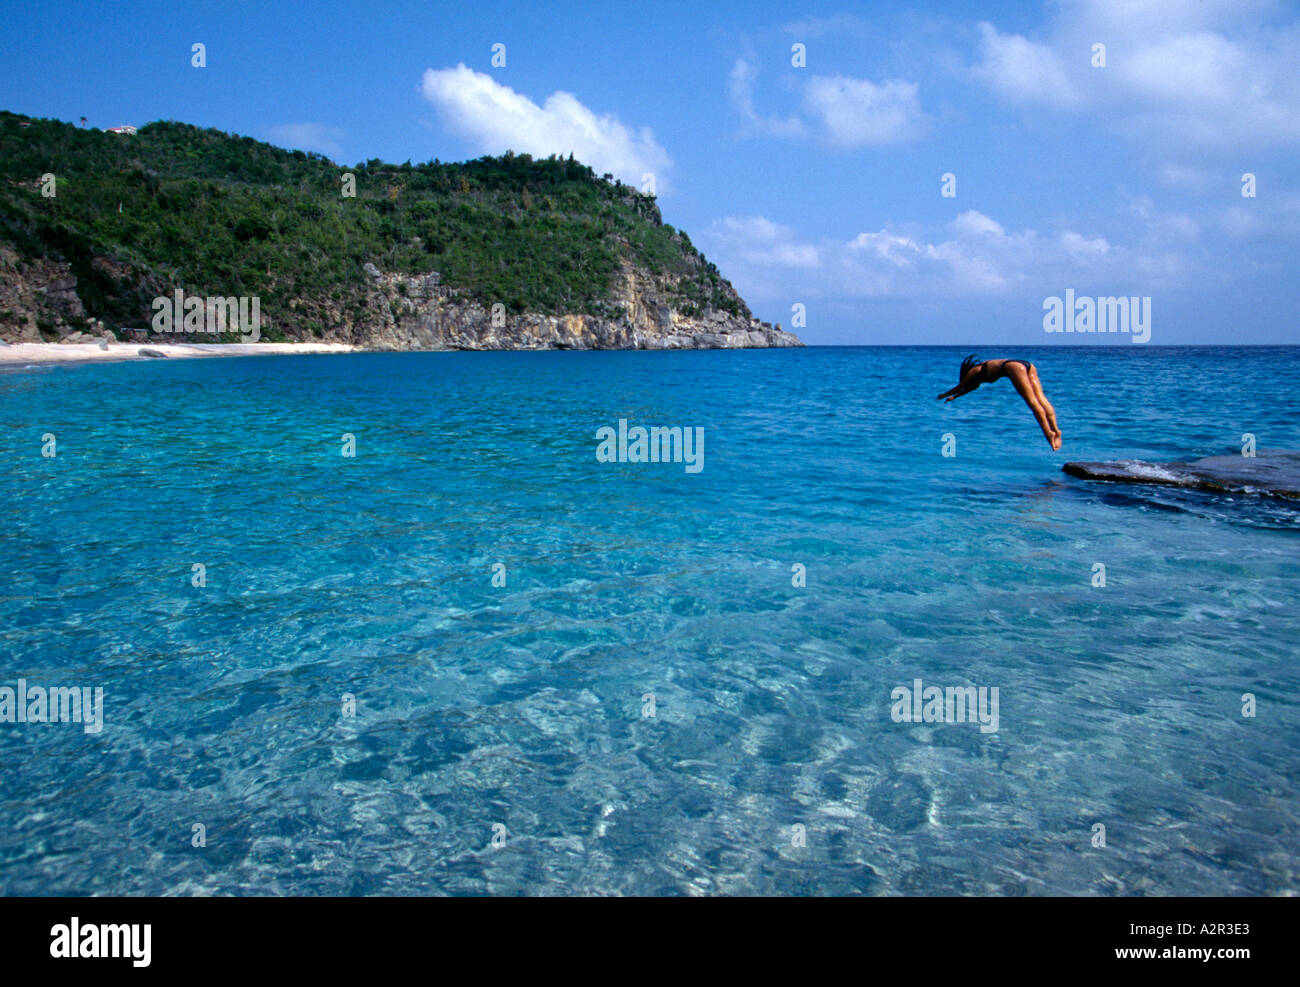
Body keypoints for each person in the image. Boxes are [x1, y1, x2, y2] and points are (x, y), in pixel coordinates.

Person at [938, 355, 1062, 450]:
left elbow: (960, 386)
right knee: (1042, 399)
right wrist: (955, 397)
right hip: (1027, 365)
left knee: (1032, 402)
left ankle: (1048, 433)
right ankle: (1056, 430)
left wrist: (944, 394)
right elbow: (971, 388)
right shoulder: (979, 373)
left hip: (1013, 367)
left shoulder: (973, 371)